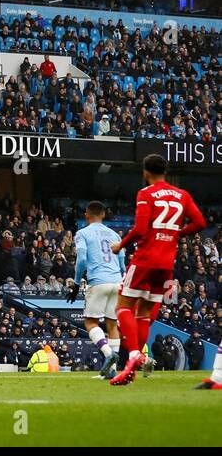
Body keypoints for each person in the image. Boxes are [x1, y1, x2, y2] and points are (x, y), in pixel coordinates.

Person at [110, 154, 205, 386]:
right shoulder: (182, 195)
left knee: (123, 307)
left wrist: (121, 244)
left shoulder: (146, 194)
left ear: (145, 172)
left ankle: (133, 355)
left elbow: (141, 229)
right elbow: (200, 223)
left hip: (144, 259)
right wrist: (177, 234)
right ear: (166, 171)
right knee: (143, 314)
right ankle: (132, 367)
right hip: (166, 264)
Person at [69, 200, 124, 378]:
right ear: (103, 214)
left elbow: (83, 259)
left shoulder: (82, 233)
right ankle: (113, 371)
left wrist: (77, 283)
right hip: (117, 280)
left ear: (86, 214)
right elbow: (122, 260)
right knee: (112, 323)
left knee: (90, 322)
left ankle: (109, 354)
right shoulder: (114, 234)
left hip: (98, 281)